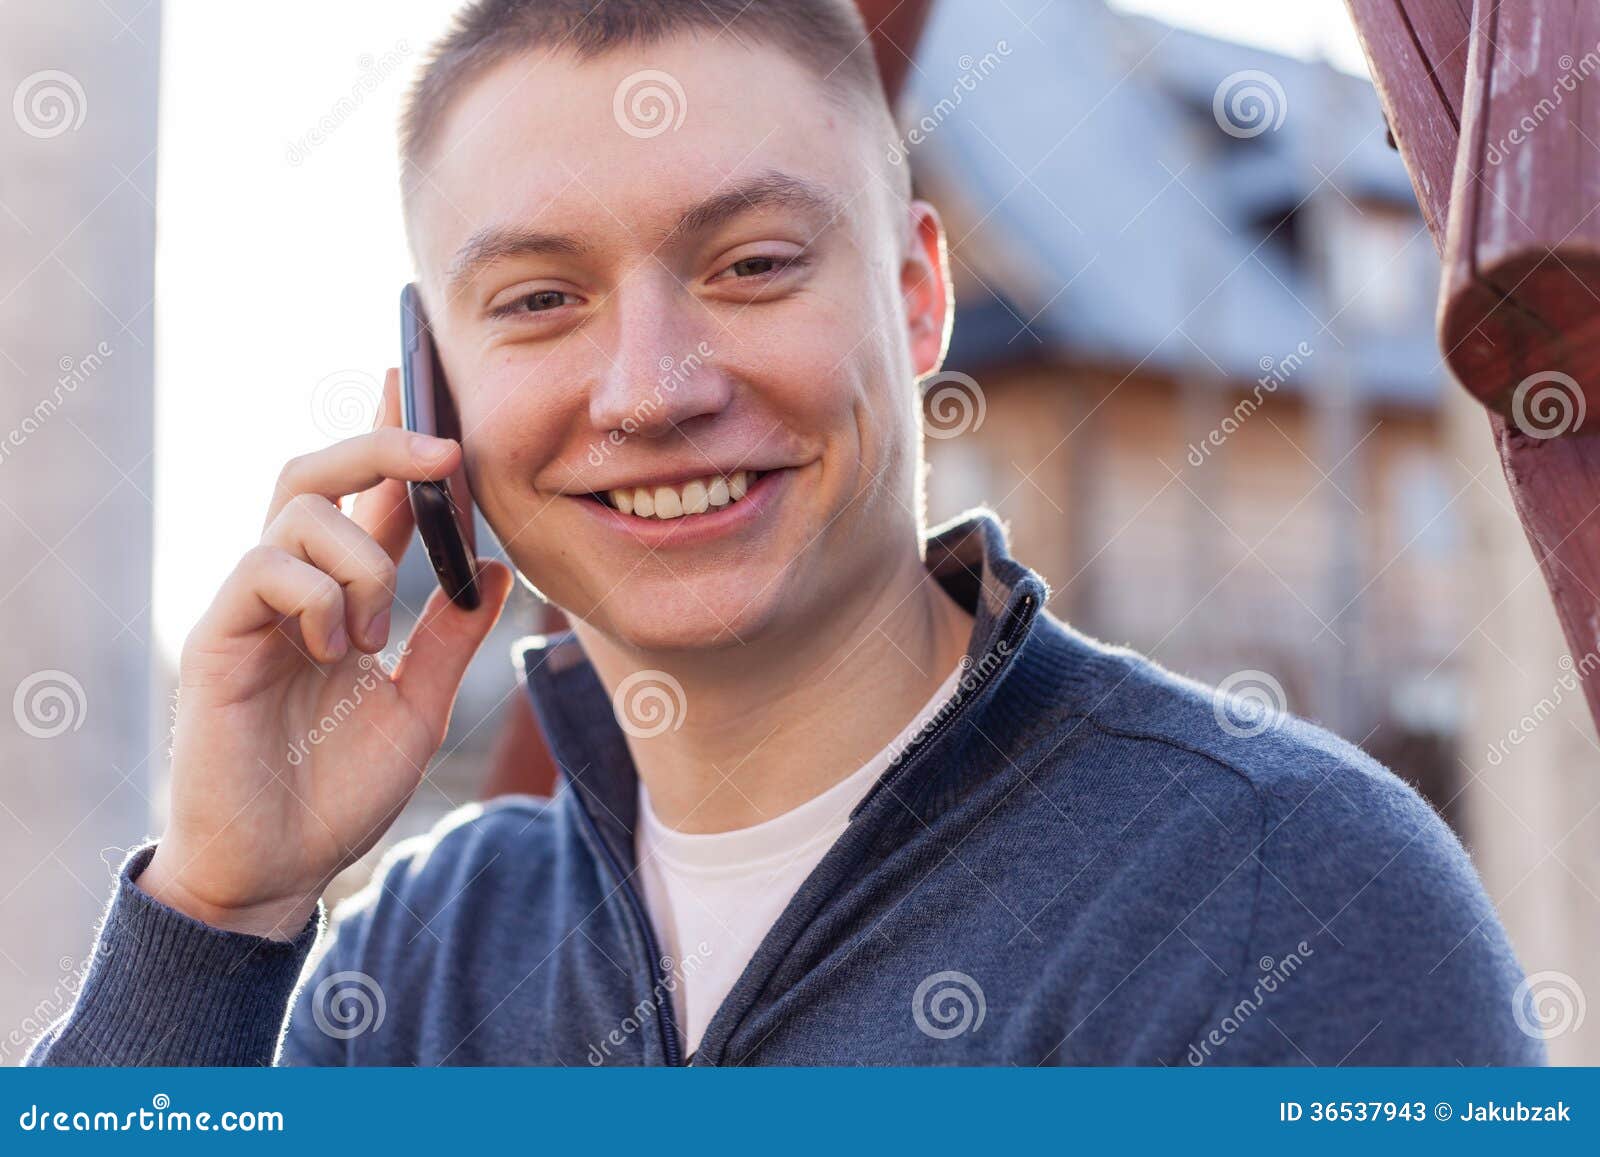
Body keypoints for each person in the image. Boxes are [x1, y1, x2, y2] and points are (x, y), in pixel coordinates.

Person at [28, 0, 1542, 1066]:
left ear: (915, 297)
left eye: (751, 263)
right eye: (541, 300)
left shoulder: (1288, 890)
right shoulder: (418, 960)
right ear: (432, 394)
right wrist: (216, 916)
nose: (654, 388)